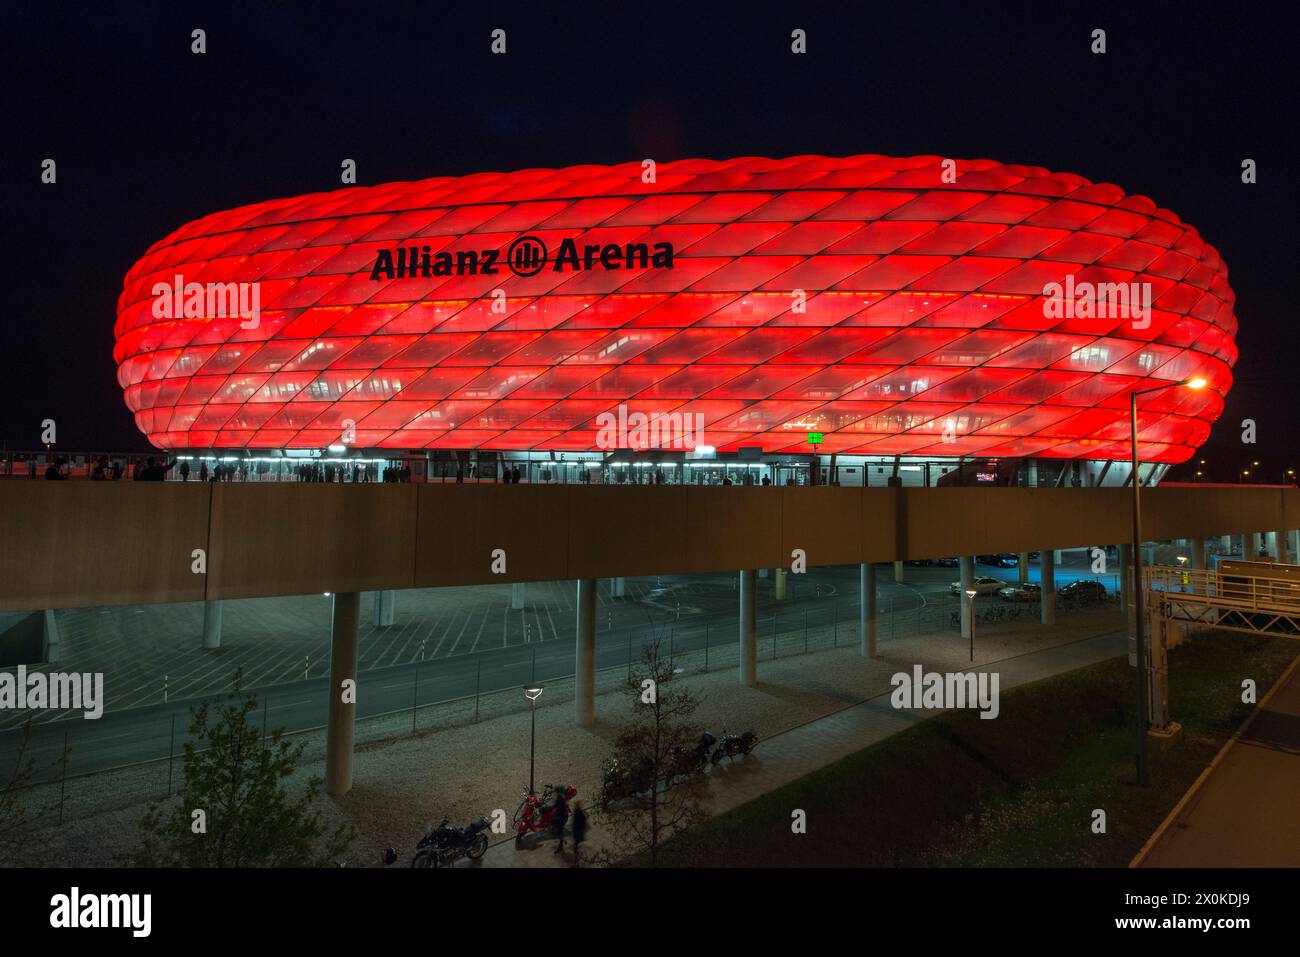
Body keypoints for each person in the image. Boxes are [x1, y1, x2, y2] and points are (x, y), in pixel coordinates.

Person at [551, 786, 570, 854]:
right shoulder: (561, 797)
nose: (554, 794)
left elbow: (559, 806)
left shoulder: (560, 798)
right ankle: (560, 845)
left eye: (555, 792)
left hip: (561, 818)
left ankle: (560, 847)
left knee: (560, 832)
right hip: (561, 816)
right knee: (559, 830)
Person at [570, 801, 588, 867]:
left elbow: (581, 821)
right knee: (576, 846)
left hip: (578, 831)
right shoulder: (578, 811)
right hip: (577, 831)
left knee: (576, 846)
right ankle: (576, 862)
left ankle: (576, 863)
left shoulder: (578, 812)